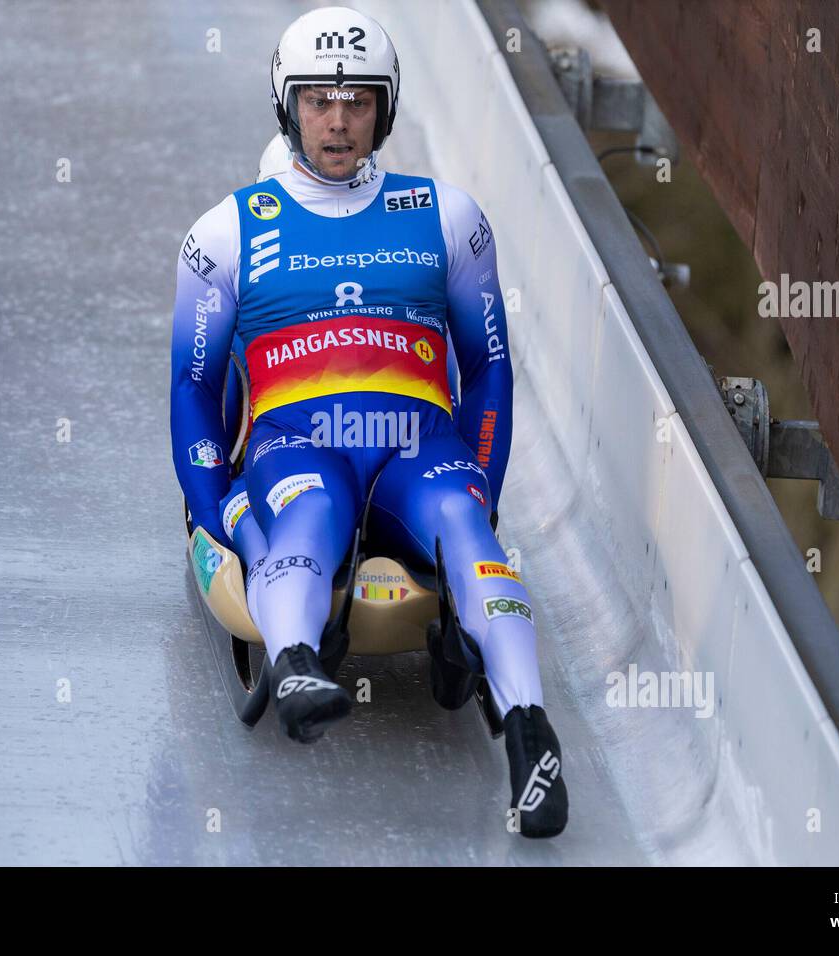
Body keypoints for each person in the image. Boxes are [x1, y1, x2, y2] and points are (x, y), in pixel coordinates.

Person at [170, 6, 567, 837]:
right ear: (289, 107)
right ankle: (298, 664)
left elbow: (489, 365)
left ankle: (531, 734)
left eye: (358, 100)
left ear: (385, 108)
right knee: (310, 513)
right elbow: (194, 389)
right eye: (320, 99)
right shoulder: (226, 232)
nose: (340, 120)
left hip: (422, 448)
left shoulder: (449, 217)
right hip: (298, 442)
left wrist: (484, 491)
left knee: (462, 522)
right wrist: (217, 517)